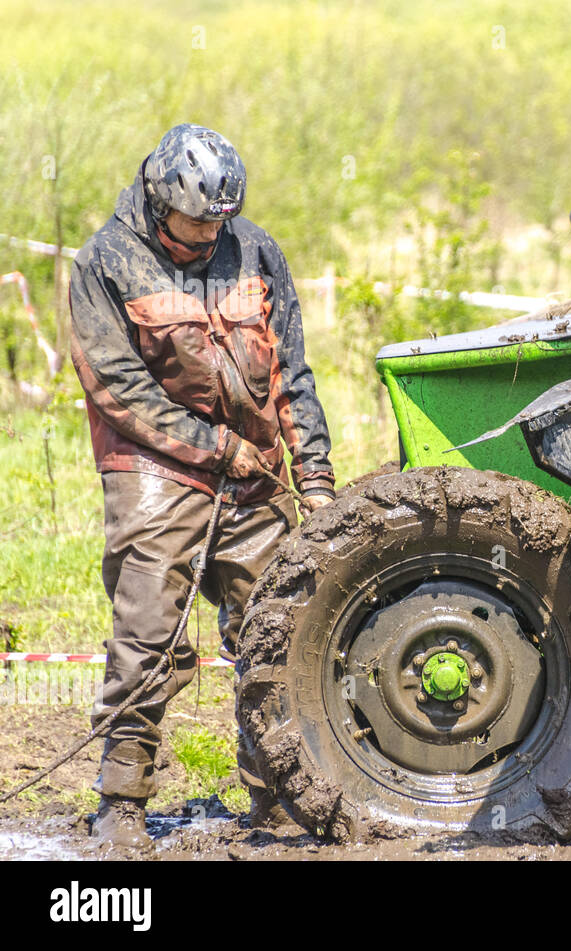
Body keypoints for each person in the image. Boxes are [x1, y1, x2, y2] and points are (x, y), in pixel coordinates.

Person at [69, 124, 336, 849]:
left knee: (283, 627)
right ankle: (121, 798)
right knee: (148, 633)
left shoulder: (256, 251)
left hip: (256, 470)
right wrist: (215, 447)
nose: (209, 235)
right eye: (195, 223)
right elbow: (115, 388)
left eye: (220, 220)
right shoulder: (105, 263)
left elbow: (292, 374)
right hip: (155, 469)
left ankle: (282, 792)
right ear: (160, 199)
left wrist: (313, 475)